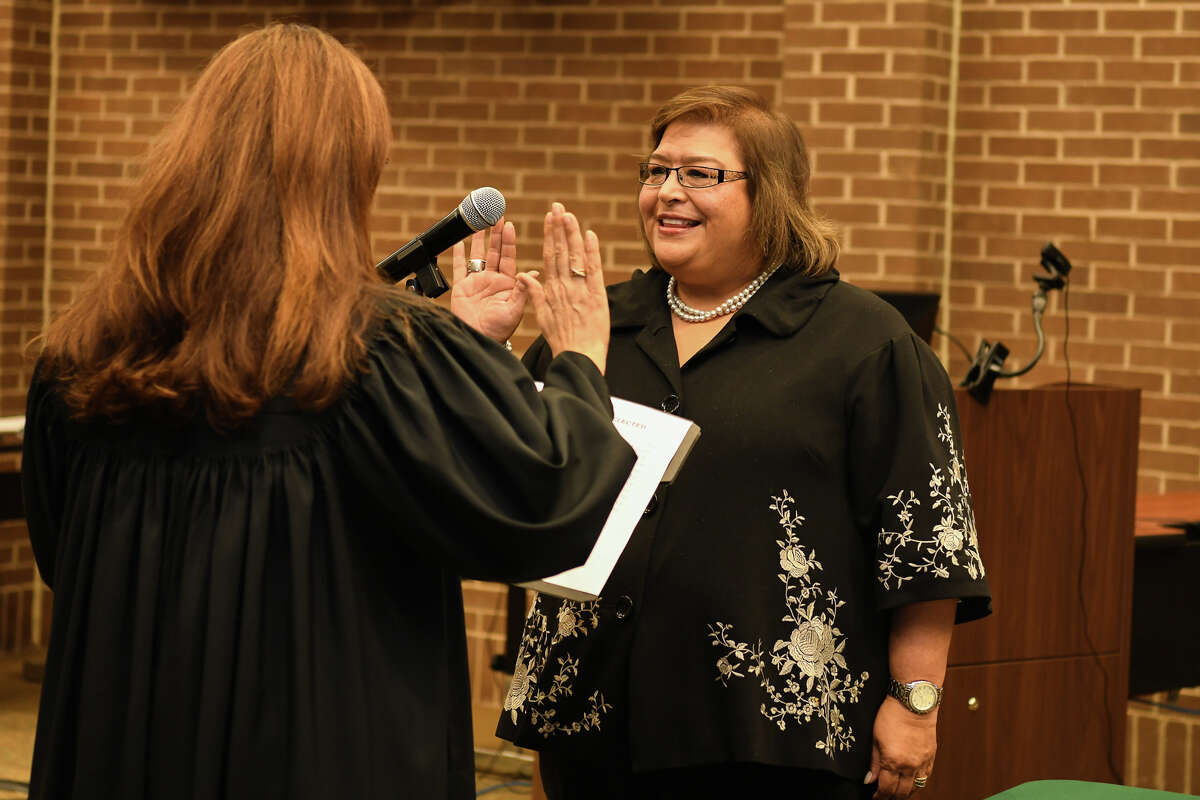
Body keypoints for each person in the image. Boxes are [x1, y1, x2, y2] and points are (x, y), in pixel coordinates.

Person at [21, 23, 635, 800]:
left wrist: (458, 352)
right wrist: (578, 358)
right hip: (316, 742)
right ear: (341, 175)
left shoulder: (81, 354)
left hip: (129, 740)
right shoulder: (376, 350)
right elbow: (544, 497)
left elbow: (64, 556)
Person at [496, 86, 992, 800]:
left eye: (700, 174)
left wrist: (916, 703)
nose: (667, 192)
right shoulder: (592, 328)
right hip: (590, 720)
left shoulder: (863, 342)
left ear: (773, 195)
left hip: (773, 735)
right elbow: (512, 488)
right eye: (656, 170)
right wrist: (480, 350)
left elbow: (924, 543)